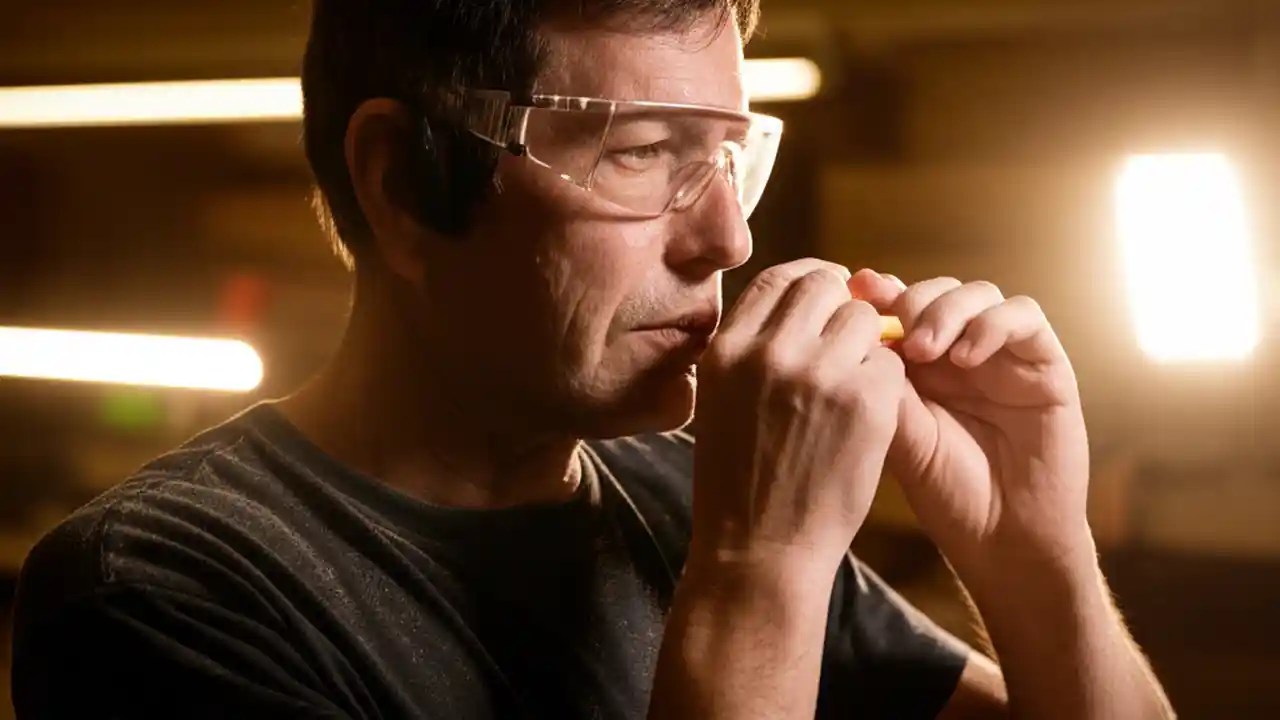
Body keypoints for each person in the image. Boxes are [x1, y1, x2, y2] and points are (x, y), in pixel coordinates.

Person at [11, 0, 1174, 717]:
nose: (727, 237)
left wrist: (1035, 552)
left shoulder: (679, 498)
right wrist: (759, 574)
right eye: (641, 153)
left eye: (724, 155)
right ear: (405, 184)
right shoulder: (155, 593)